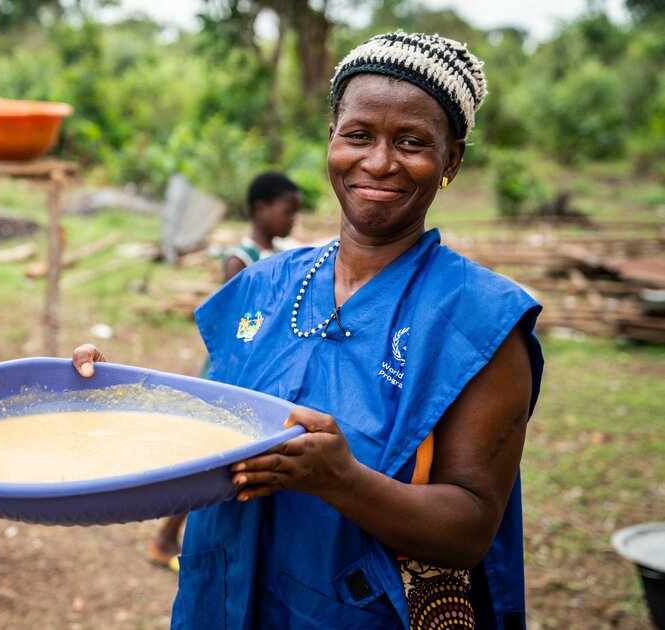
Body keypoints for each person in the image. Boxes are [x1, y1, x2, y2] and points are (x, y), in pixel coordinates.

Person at [74, 31, 544, 629]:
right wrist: (112, 394)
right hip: (221, 599)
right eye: (358, 135)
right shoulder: (264, 284)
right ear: (331, 141)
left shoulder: (480, 320)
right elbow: (206, 427)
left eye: (411, 142)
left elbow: (470, 528)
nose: (379, 162)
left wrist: (342, 480)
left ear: (451, 160)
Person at [148, 171, 302, 571]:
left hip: (264, 371)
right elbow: (238, 323)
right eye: (288, 211)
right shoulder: (241, 259)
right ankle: (167, 537)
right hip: (234, 371)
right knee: (210, 459)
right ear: (261, 209)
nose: (292, 221)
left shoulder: (285, 258)